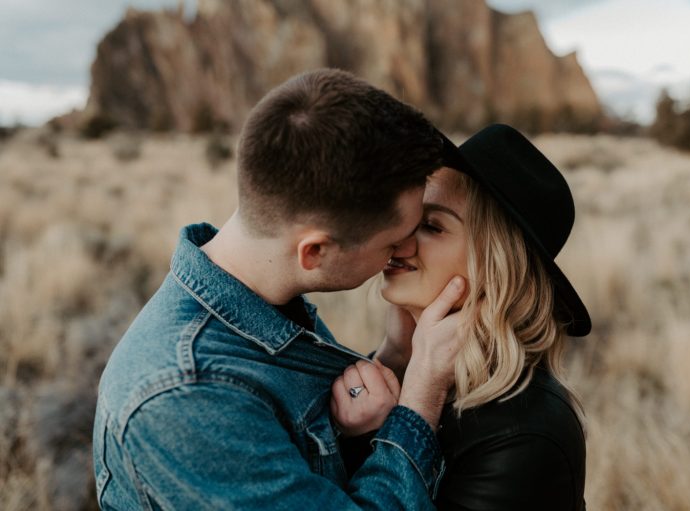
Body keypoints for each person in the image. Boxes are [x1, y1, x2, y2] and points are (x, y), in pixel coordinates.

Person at [92, 68, 467, 510]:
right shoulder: (189, 398)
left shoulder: (265, 299)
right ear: (314, 252)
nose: (405, 250)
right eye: (392, 241)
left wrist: (392, 360)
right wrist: (421, 397)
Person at [333, 124, 591, 510]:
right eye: (407, 218)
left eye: (432, 226)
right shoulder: (412, 370)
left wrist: (417, 402)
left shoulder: (525, 432)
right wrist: (393, 364)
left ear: (495, 265)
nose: (398, 240)